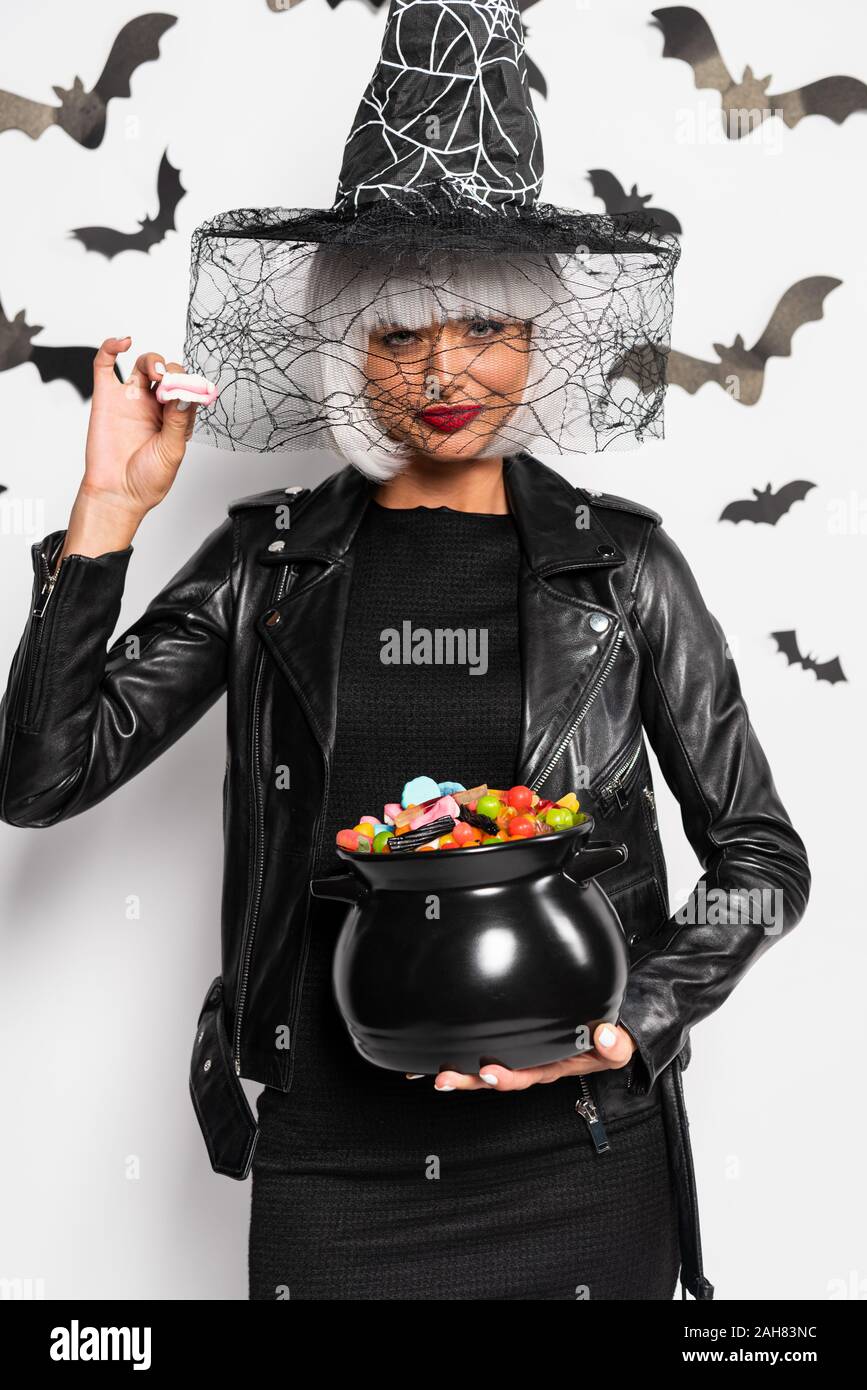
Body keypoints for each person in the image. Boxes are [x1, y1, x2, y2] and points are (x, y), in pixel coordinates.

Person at [0, 0, 810, 1300]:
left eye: (484, 324)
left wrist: (624, 1023)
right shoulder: (268, 564)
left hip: (578, 1156)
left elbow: (764, 863)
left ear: (538, 335)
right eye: (400, 330)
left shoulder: (626, 572)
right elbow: (40, 777)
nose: (445, 367)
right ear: (347, 345)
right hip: (334, 1170)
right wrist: (107, 514)